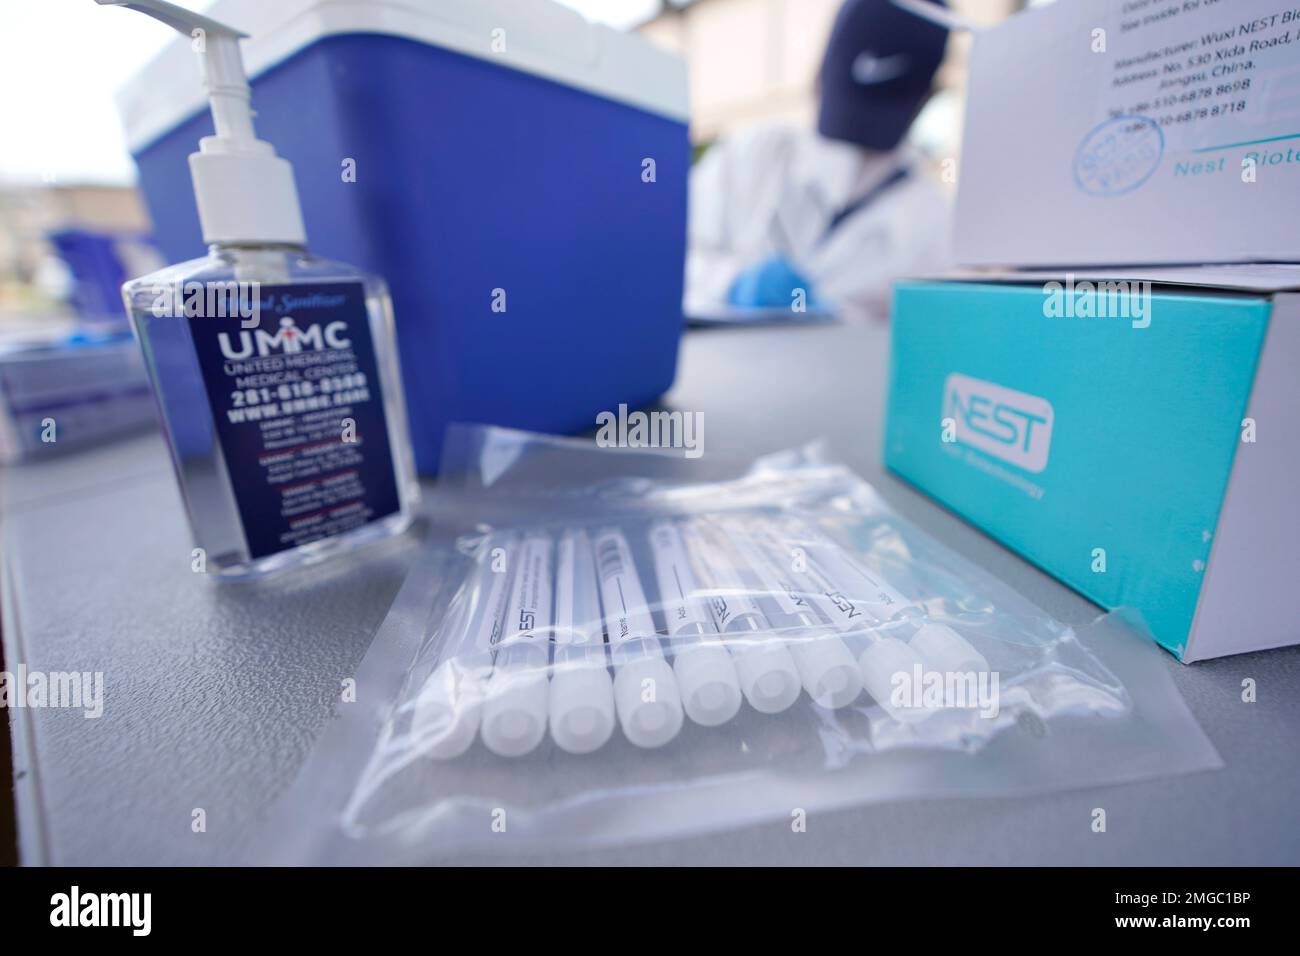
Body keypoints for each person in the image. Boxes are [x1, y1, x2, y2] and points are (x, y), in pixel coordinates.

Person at [685, 0, 951, 323]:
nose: (853, 141)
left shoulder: (934, 227)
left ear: (926, 99)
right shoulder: (753, 152)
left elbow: (923, 335)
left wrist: (843, 319)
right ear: (819, 74)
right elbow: (666, 255)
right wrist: (731, 282)